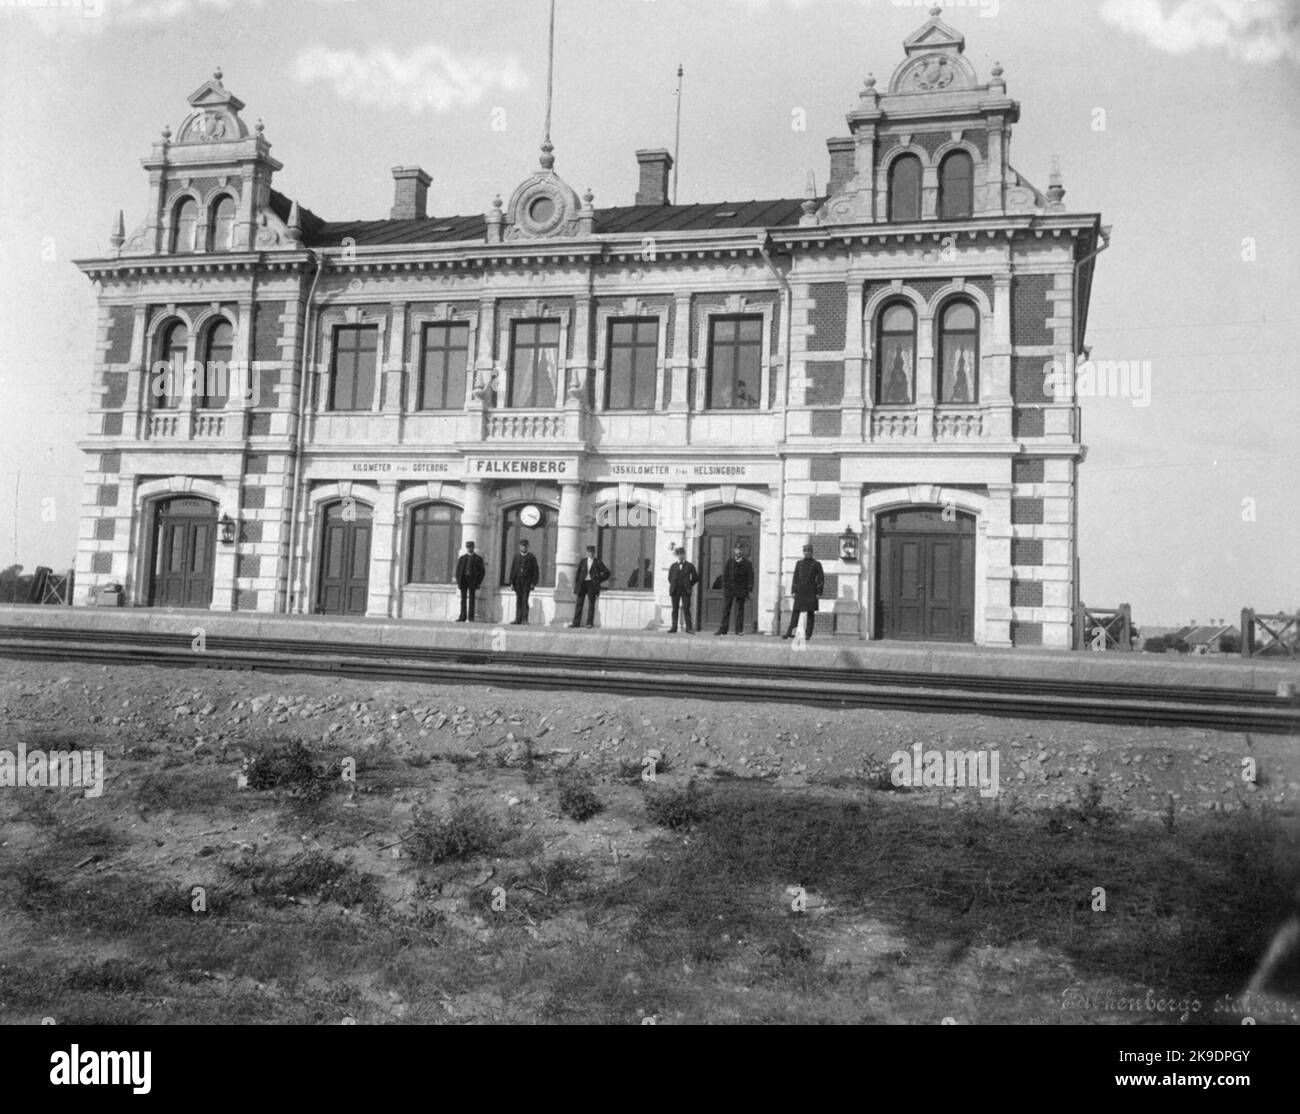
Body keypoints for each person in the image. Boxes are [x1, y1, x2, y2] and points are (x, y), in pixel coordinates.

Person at [784, 543, 825, 642]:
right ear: (803, 552)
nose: (807, 553)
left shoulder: (817, 564)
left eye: (809, 551)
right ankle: (790, 632)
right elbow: (795, 578)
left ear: (812, 552)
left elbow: (821, 579)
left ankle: (808, 634)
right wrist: (793, 590)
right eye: (805, 551)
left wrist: (819, 592)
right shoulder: (799, 563)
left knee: (810, 613)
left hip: (811, 591)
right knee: (796, 612)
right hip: (800, 591)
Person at [715, 544, 754, 636]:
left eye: (740, 549)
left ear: (742, 551)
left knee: (740, 610)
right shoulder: (730, 562)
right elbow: (725, 575)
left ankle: (739, 630)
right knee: (726, 609)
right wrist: (725, 587)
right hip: (730, 589)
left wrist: (749, 590)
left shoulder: (747, 563)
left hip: (741, 590)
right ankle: (723, 629)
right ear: (734, 550)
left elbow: (751, 577)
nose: (739, 551)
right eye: (737, 549)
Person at [571, 544, 610, 628]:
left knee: (591, 604)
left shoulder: (597, 562)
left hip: (592, 584)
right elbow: (578, 574)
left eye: (592, 552)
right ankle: (576, 623)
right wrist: (576, 585)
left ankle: (589, 623)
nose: (591, 554)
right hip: (582, 584)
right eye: (589, 552)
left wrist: (598, 579)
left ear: (594, 553)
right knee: (579, 603)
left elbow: (607, 573)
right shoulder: (583, 561)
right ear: (587, 553)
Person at [667, 546, 699, 634]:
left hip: (685, 591)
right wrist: (674, 584)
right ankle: (674, 627)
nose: (680, 556)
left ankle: (689, 628)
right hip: (675, 590)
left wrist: (689, 584)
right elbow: (670, 578)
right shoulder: (673, 566)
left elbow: (696, 578)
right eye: (679, 554)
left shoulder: (690, 566)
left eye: (682, 554)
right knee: (675, 609)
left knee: (686, 609)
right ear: (677, 555)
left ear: (684, 554)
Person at [507, 539, 540, 624]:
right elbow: (513, 569)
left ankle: (524, 619)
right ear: (519, 547)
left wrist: (533, 583)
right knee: (519, 600)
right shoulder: (516, 557)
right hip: (518, 581)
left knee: (525, 600)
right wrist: (511, 582)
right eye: (522, 546)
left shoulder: (531, 557)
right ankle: (518, 619)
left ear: (528, 547)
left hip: (527, 582)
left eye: (525, 546)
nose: (523, 547)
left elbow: (535, 570)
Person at [454, 540, 485, 622]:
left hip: (472, 580)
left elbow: (482, 572)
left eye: (471, 547)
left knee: (472, 599)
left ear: (473, 547)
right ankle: (462, 617)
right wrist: (458, 581)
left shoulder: (478, 558)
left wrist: (478, 582)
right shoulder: (462, 558)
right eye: (468, 547)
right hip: (464, 579)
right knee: (463, 599)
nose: (469, 548)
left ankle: (471, 617)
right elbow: (458, 571)